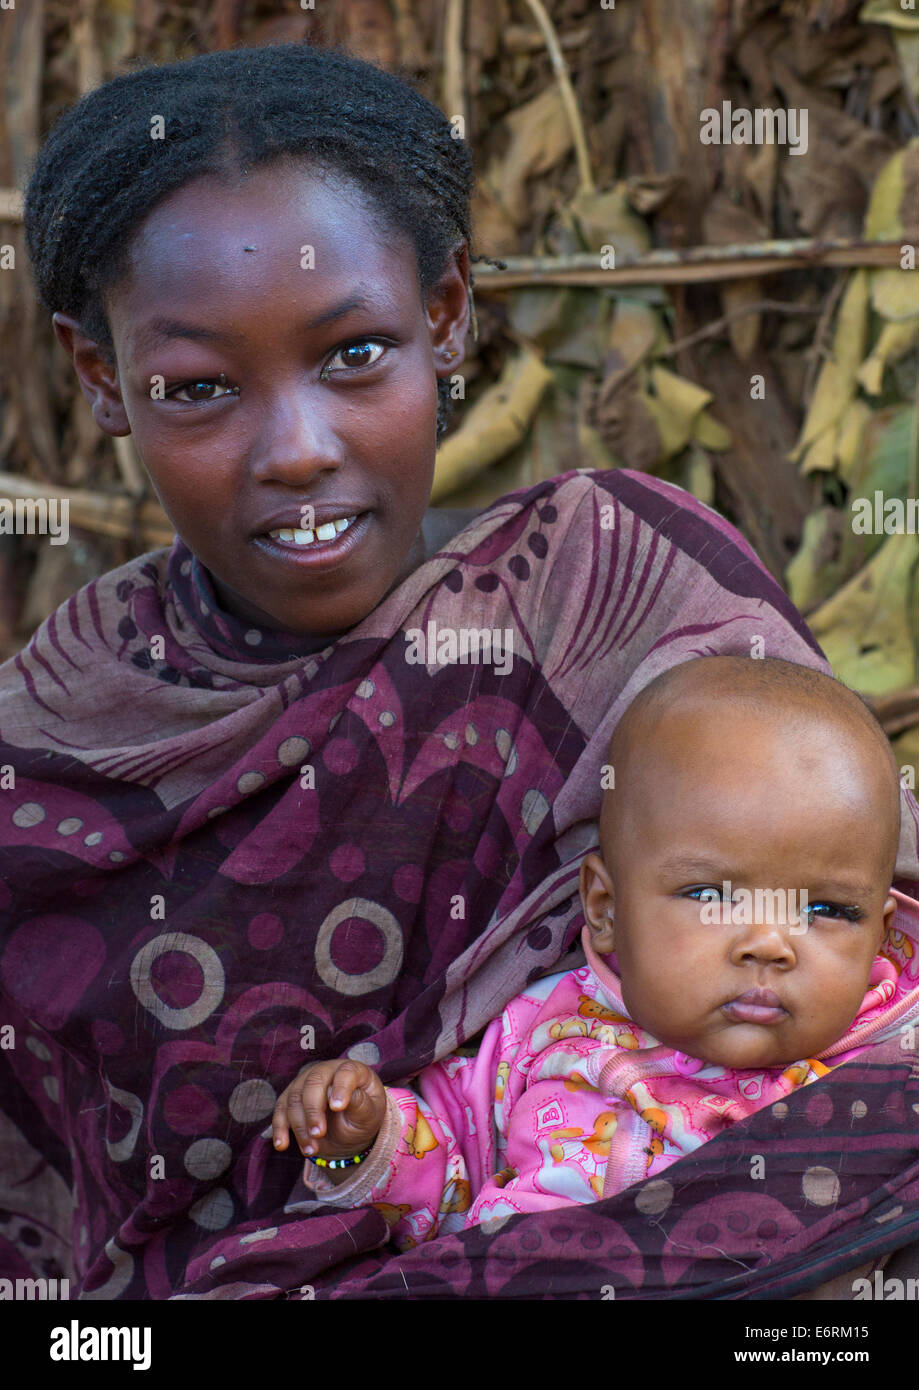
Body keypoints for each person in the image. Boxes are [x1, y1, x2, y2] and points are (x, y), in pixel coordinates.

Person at [2, 42, 919, 1302]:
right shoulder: (58, 744)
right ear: (105, 379)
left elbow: (867, 911)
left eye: (355, 355)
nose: (297, 449)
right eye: (201, 386)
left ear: (445, 317)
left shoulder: (613, 586)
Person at [274, 656, 919, 1248]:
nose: (769, 944)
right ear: (606, 910)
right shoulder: (540, 1031)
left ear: (879, 929)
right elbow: (448, 1170)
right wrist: (360, 1138)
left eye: (828, 910)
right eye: (710, 895)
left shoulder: (891, 1062)